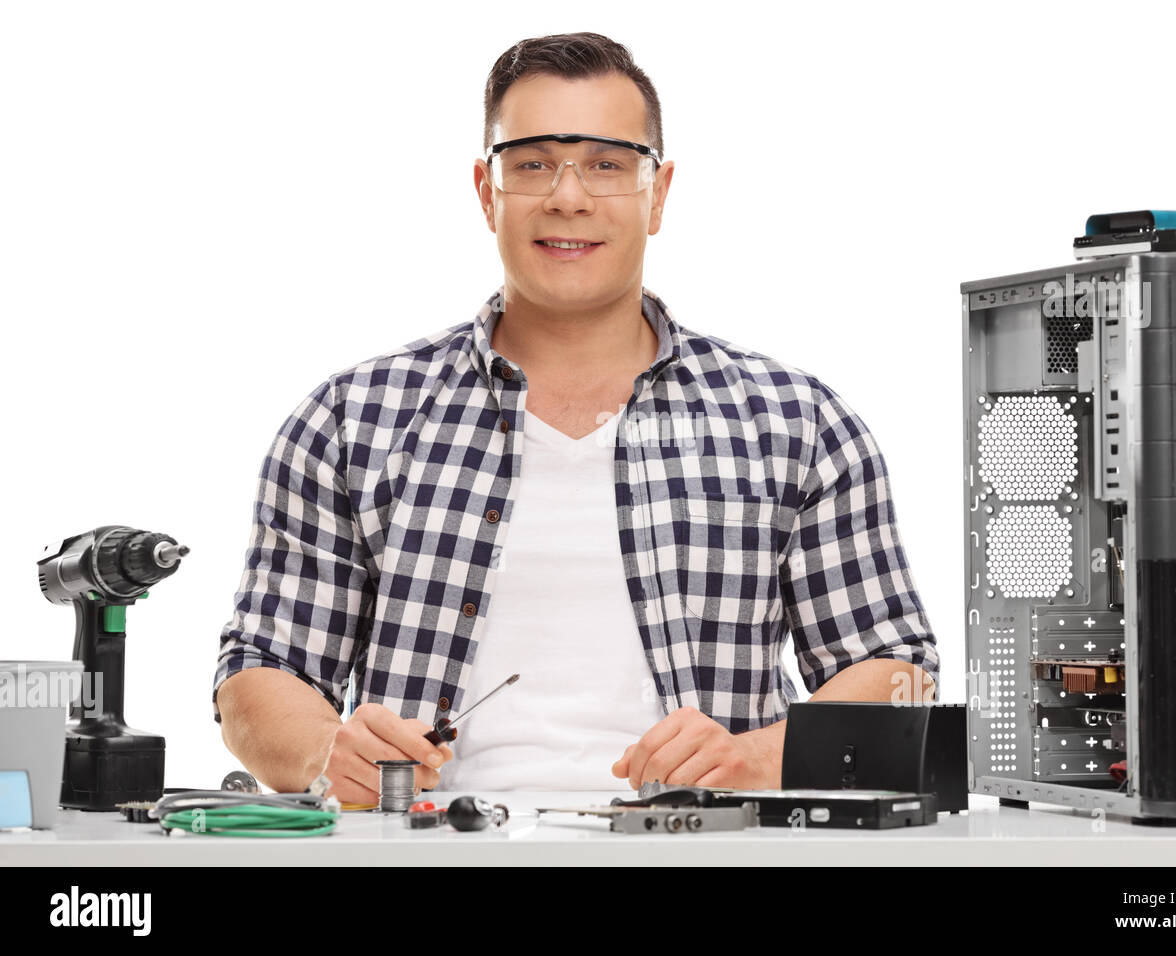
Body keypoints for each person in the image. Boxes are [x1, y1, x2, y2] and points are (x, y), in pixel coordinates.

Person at [213, 31, 939, 804]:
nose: (569, 196)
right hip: (422, 851)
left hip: (705, 854)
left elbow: (901, 673)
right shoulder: (352, 421)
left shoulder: (796, 424)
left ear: (657, 194)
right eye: (531, 163)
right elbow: (261, 669)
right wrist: (329, 752)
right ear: (486, 190)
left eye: (607, 163)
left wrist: (763, 759)